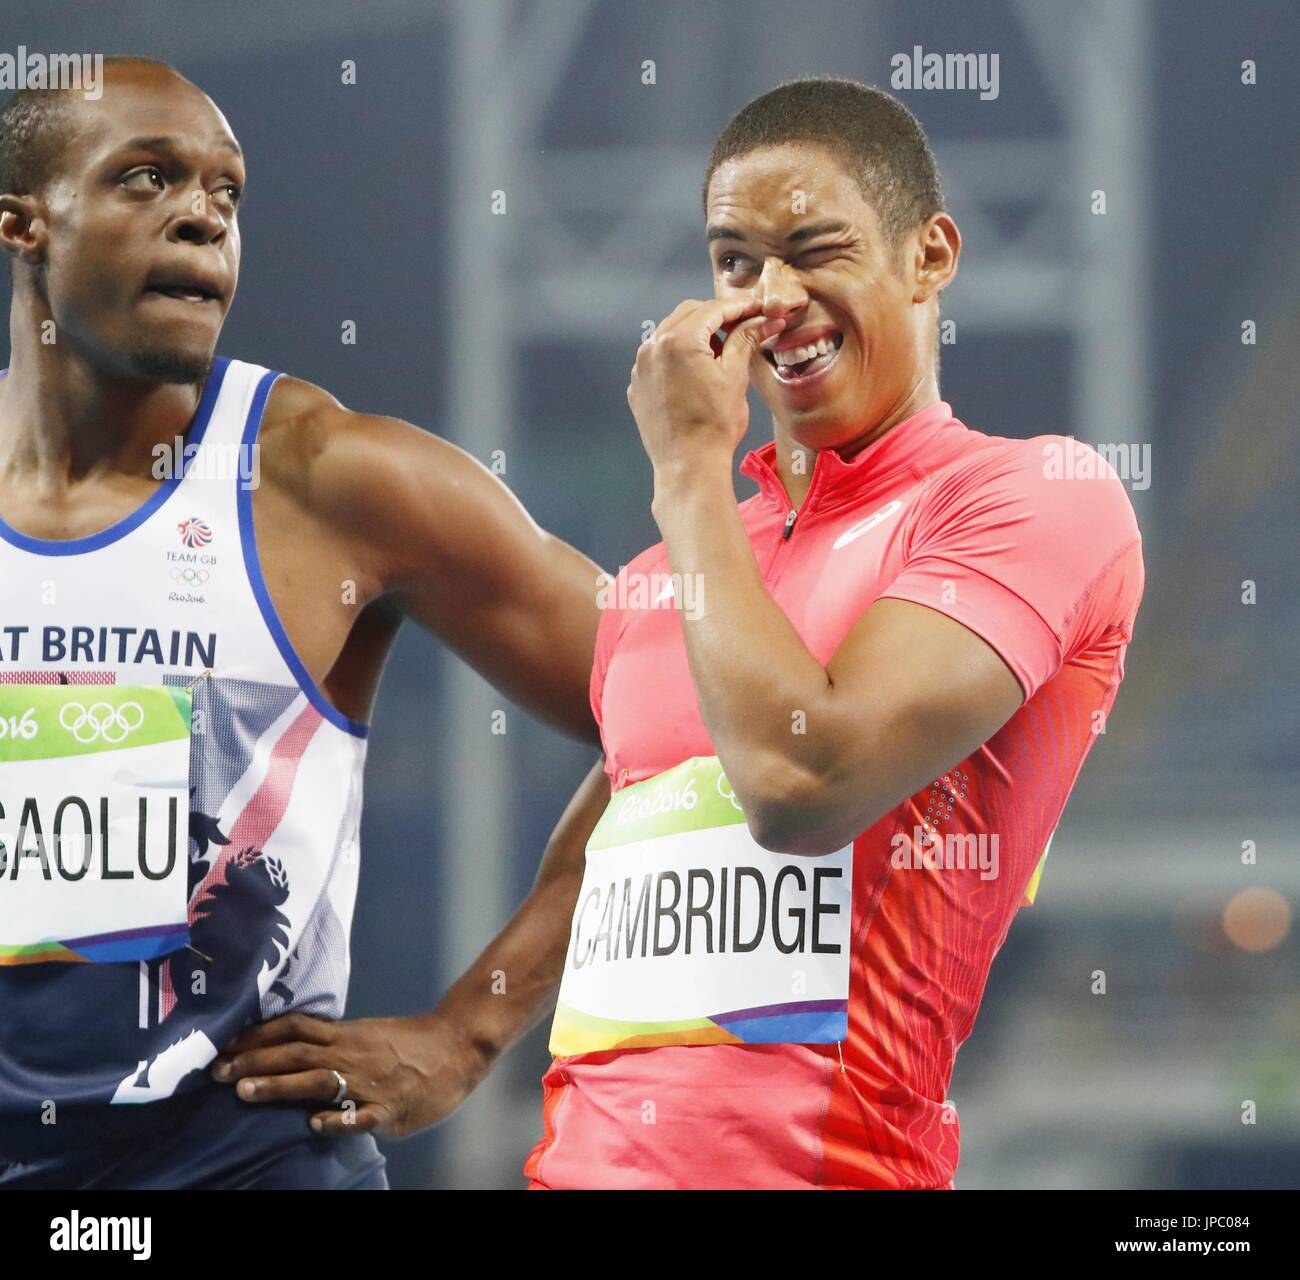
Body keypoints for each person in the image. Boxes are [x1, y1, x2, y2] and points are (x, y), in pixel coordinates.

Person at [525, 77, 1145, 1190]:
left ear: (930, 254)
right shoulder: (657, 580)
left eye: (816, 250)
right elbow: (619, 832)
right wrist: (457, 1033)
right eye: (736, 262)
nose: (773, 298)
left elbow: (800, 781)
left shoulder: (1034, 497)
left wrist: (687, 476)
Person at [0, 57, 607, 1189]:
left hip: (245, 1155)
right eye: (146, 179)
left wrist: (467, 1031)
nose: (201, 217)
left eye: (225, 194)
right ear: (22, 223)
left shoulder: (331, 480)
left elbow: (706, 713)